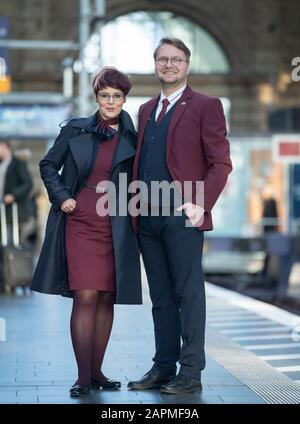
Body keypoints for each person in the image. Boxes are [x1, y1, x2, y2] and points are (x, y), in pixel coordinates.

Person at [128, 38, 232, 394]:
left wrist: (200, 203)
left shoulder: (206, 105)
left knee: (188, 293)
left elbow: (221, 163)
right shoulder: (144, 110)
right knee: (160, 296)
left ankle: (191, 373)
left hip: (183, 215)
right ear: (155, 64)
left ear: (187, 65)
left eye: (176, 60)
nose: (168, 65)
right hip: (148, 216)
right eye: (162, 59)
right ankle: (162, 366)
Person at [31, 67, 142, 397]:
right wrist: (63, 196)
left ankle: (96, 371)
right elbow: (48, 165)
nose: (110, 101)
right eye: (104, 95)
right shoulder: (75, 130)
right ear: (96, 98)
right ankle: (82, 377)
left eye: (117, 96)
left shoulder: (132, 138)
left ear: (124, 99)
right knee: (86, 294)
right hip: (80, 220)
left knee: (107, 296)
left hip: (117, 224)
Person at [0, 140, 33, 244]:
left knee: (10, 240)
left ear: (4, 146)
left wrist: (13, 195)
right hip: (1, 207)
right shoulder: (1, 164)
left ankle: (10, 259)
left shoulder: (18, 163)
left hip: (12, 209)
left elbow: (28, 183)